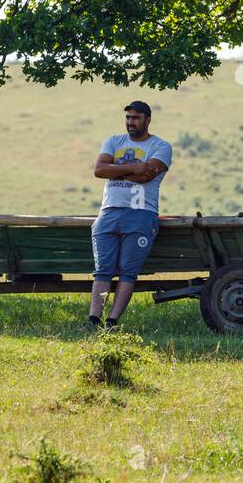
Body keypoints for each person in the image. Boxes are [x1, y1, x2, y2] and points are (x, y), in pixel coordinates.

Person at [88, 101, 172, 329]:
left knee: (128, 271)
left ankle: (112, 321)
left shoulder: (161, 146)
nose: (130, 122)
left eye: (135, 118)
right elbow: (99, 170)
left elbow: (147, 175)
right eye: (127, 117)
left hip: (141, 213)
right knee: (103, 270)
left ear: (147, 119)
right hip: (108, 212)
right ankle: (93, 319)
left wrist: (115, 170)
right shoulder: (113, 141)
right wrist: (133, 167)